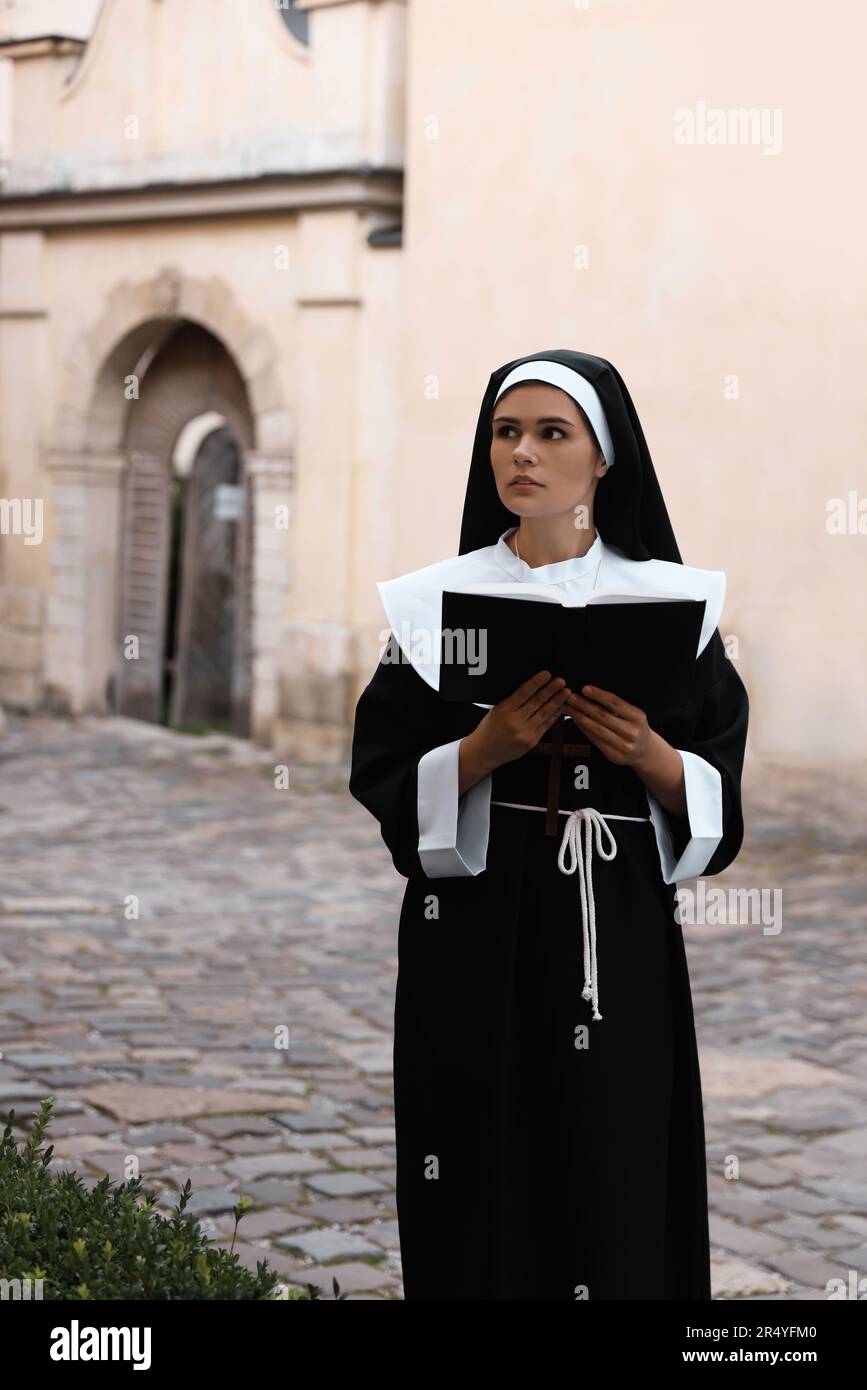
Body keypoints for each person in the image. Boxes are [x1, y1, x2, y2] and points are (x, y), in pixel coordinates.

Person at [349, 349, 749, 1300]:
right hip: (476, 930)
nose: (521, 454)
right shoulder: (431, 608)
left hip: (615, 920)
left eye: (550, 433)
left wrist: (651, 756)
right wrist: (482, 750)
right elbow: (380, 773)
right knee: (483, 1150)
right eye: (504, 431)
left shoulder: (670, 607)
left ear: (603, 459)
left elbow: (720, 784)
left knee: (614, 1150)